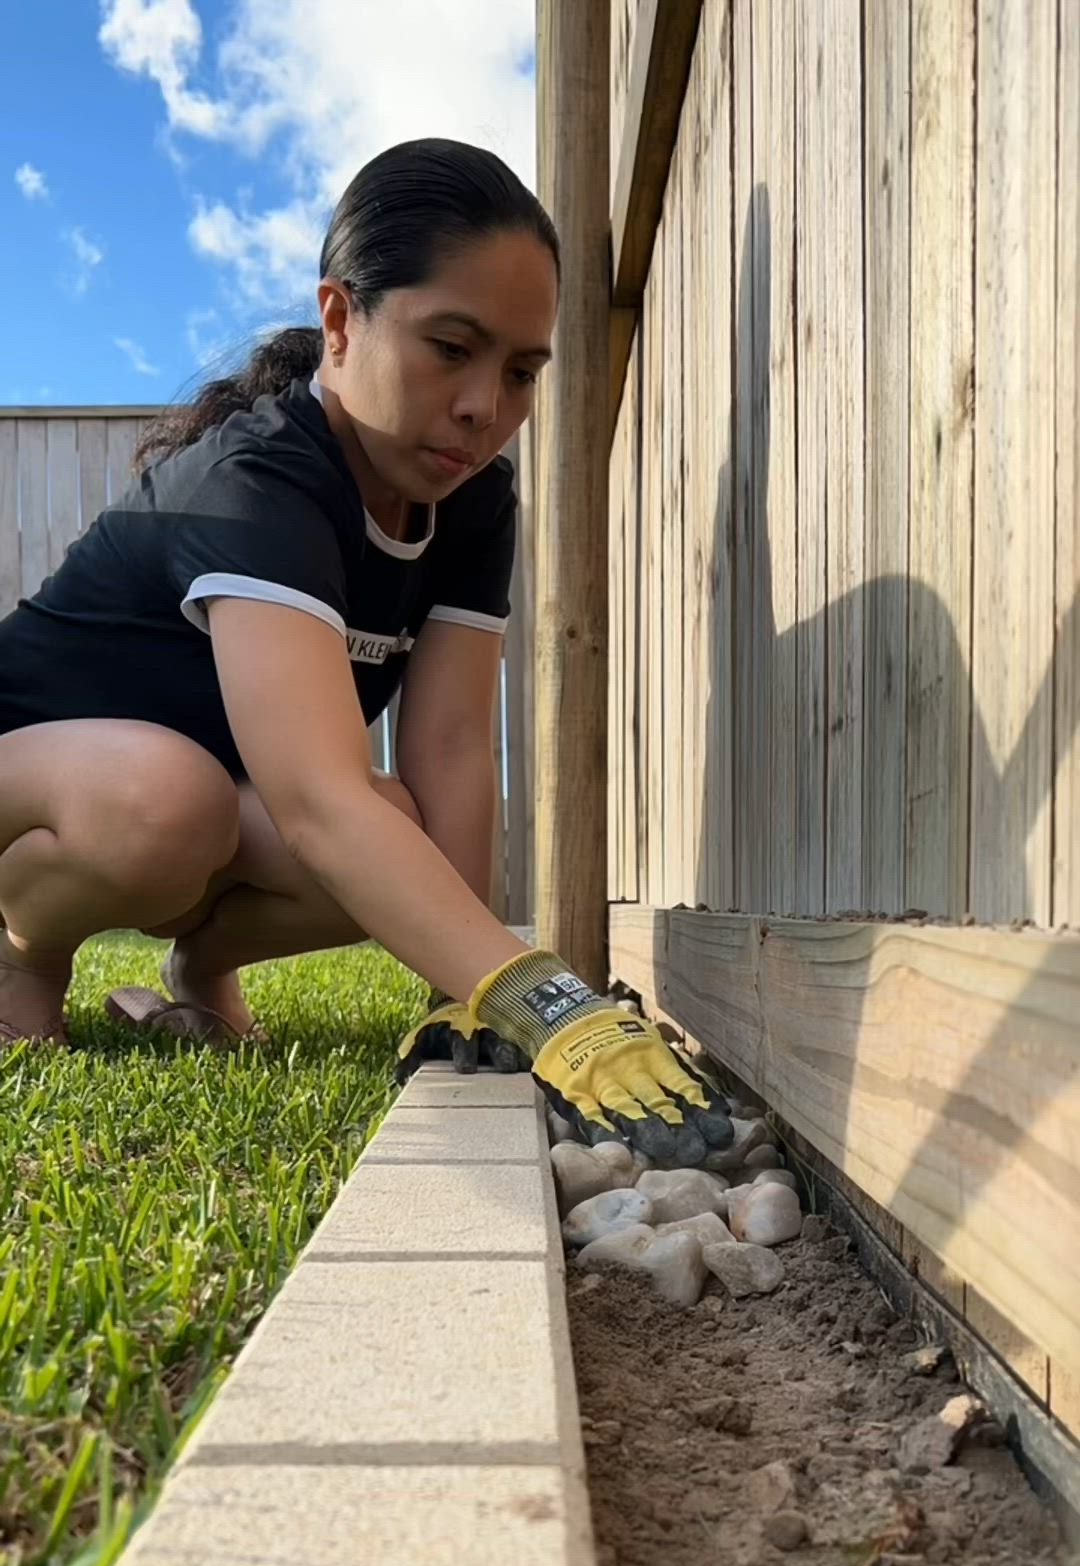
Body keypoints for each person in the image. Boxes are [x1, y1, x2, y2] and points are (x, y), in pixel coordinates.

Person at [0, 137, 731, 1167]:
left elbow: (452, 744)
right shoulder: (260, 483)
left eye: (521, 371)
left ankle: (198, 969)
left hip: (198, 803)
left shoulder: (469, 497)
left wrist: (462, 998)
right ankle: (26, 954)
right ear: (341, 319)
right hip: (30, 770)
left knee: (398, 826)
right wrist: (544, 1001)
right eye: (451, 347)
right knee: (172, 799)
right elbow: (316, 798)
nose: (487, 407)